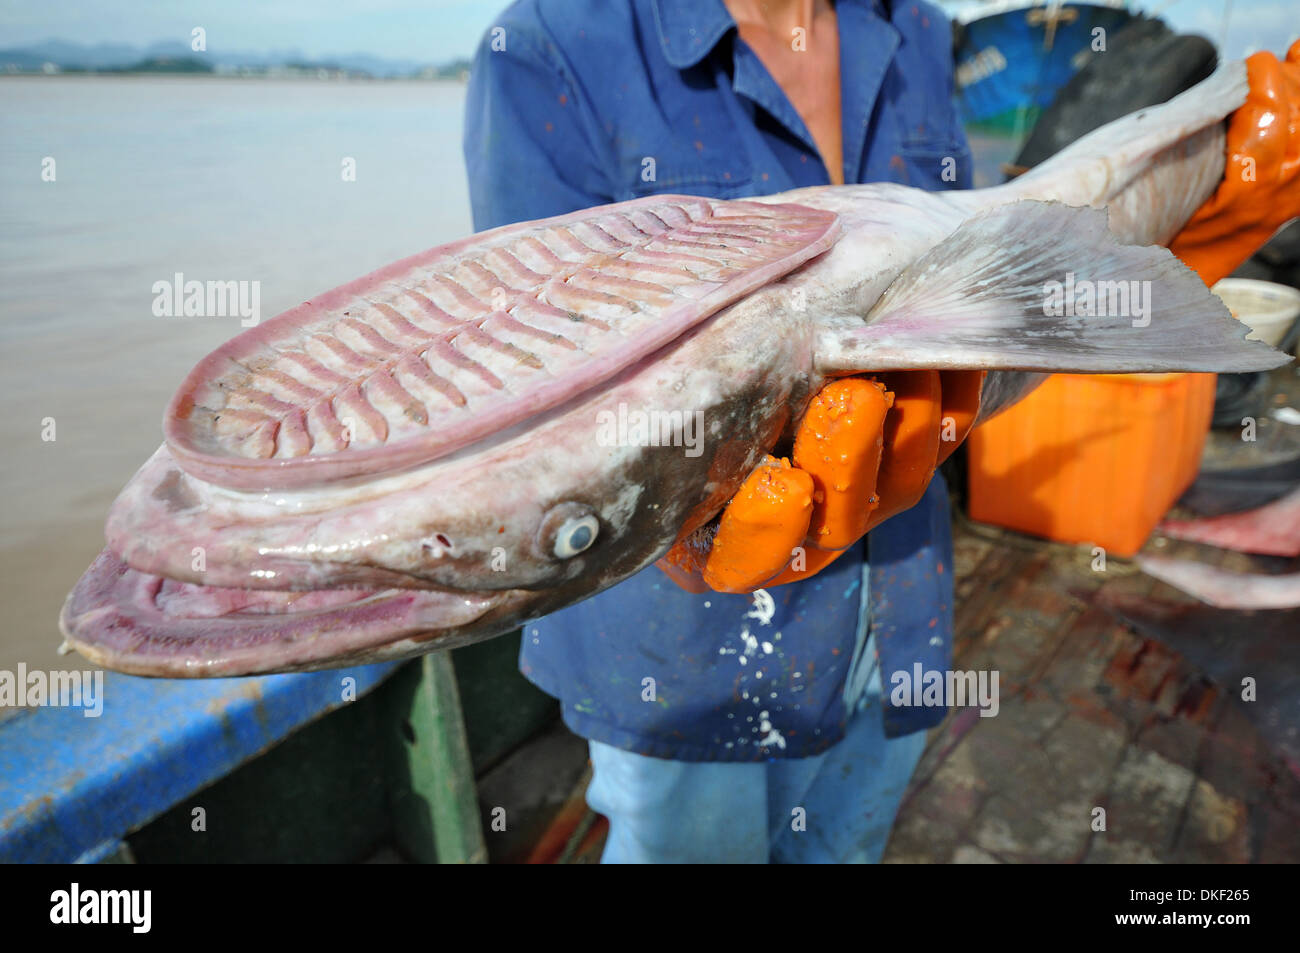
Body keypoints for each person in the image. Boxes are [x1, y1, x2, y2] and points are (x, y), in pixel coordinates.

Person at [464, 0, 1300, 863]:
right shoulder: (554, 44)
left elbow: (970, 282)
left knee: (846, 849)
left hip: (900, 601)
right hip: (683, 655)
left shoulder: (918, 32)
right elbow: (535, 386)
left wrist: (1195, 219)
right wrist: (666, 520)